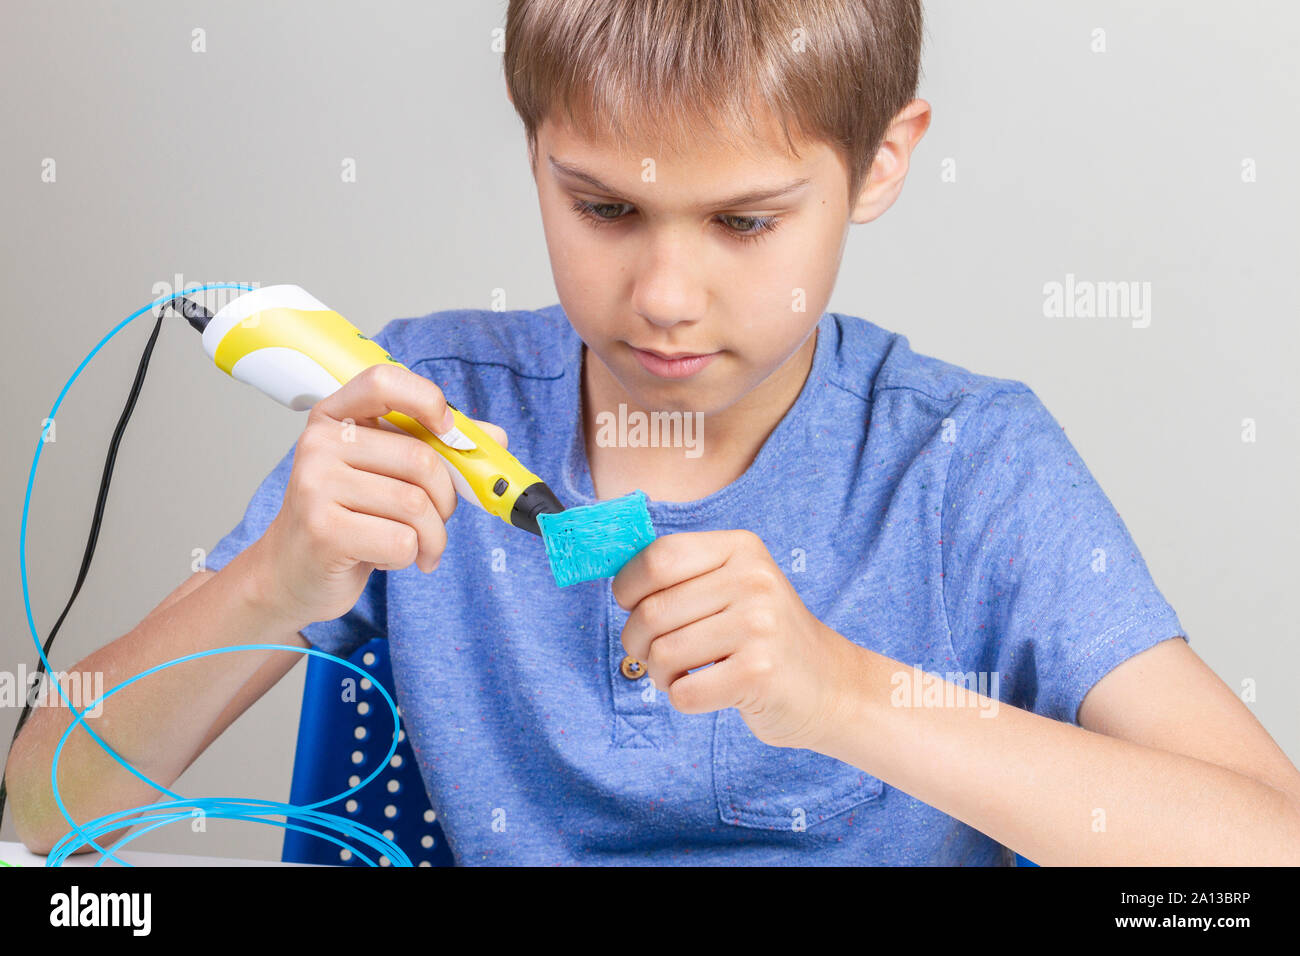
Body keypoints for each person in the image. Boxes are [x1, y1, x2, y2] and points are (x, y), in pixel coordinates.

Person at [8, 0, 1300, 865]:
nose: (667, 299)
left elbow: (1264, 843)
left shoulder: (965, 466)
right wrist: (269, 584)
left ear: (884, 161)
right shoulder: (427, 410)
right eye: (604, 209)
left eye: (745, 223)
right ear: (535, 156)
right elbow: (43, 803)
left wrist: (844, 696)